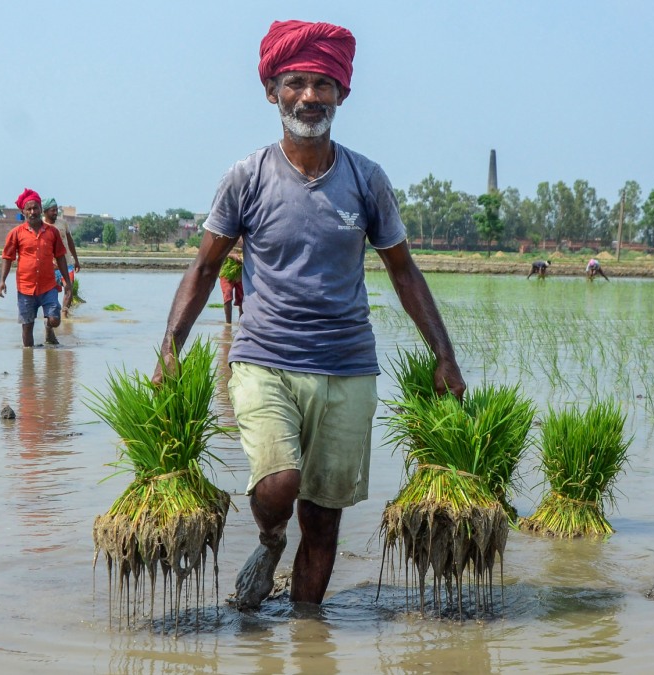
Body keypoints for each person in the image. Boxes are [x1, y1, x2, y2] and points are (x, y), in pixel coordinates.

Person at [150, 19, 466, 610]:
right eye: (296, 82)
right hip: (265, 359)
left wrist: (444, 356)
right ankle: (270, 538)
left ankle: (307, 633)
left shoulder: (366, 179)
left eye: (323, 84)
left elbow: (404, 271)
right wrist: (171, 346)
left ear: (342, 94)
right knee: (279, 485)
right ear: (272, 91)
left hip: (347, 366)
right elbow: (202, 268)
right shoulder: (247, 177)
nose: (309, 97)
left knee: (323, 522)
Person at [0, 189, 71, 347]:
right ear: (23, 212)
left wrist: (68, 283)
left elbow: (60, 257)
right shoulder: (16, 233)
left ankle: (48, 327)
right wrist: (2, 281)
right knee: (27, 328)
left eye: (35, 208)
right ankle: (28, 366)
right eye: (29, 209)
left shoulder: (52, 232)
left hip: (48, 286)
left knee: (55, 319)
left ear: (40, 209)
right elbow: (7, 257)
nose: (32, 212)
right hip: (26, 288)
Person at [43, 198, 81, 317]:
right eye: (52, 210)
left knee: (69, 288)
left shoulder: (63, 223)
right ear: (45, 212)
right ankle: (52, 316)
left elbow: (70, 242)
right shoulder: (41, 225)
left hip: (67, 263)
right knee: (50, 293)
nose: (55, 212)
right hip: (49, 266)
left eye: (56, 210)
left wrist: (76, 260)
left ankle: (64, 313)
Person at [219, 239, 244, 323]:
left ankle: (241, 323)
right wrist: (231, 255)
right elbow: (221, 251)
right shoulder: (228, 235)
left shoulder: (247, 236)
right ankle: (228, 323)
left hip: (241, 272)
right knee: (228, 294)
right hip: (227, 272)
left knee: (242, 299)